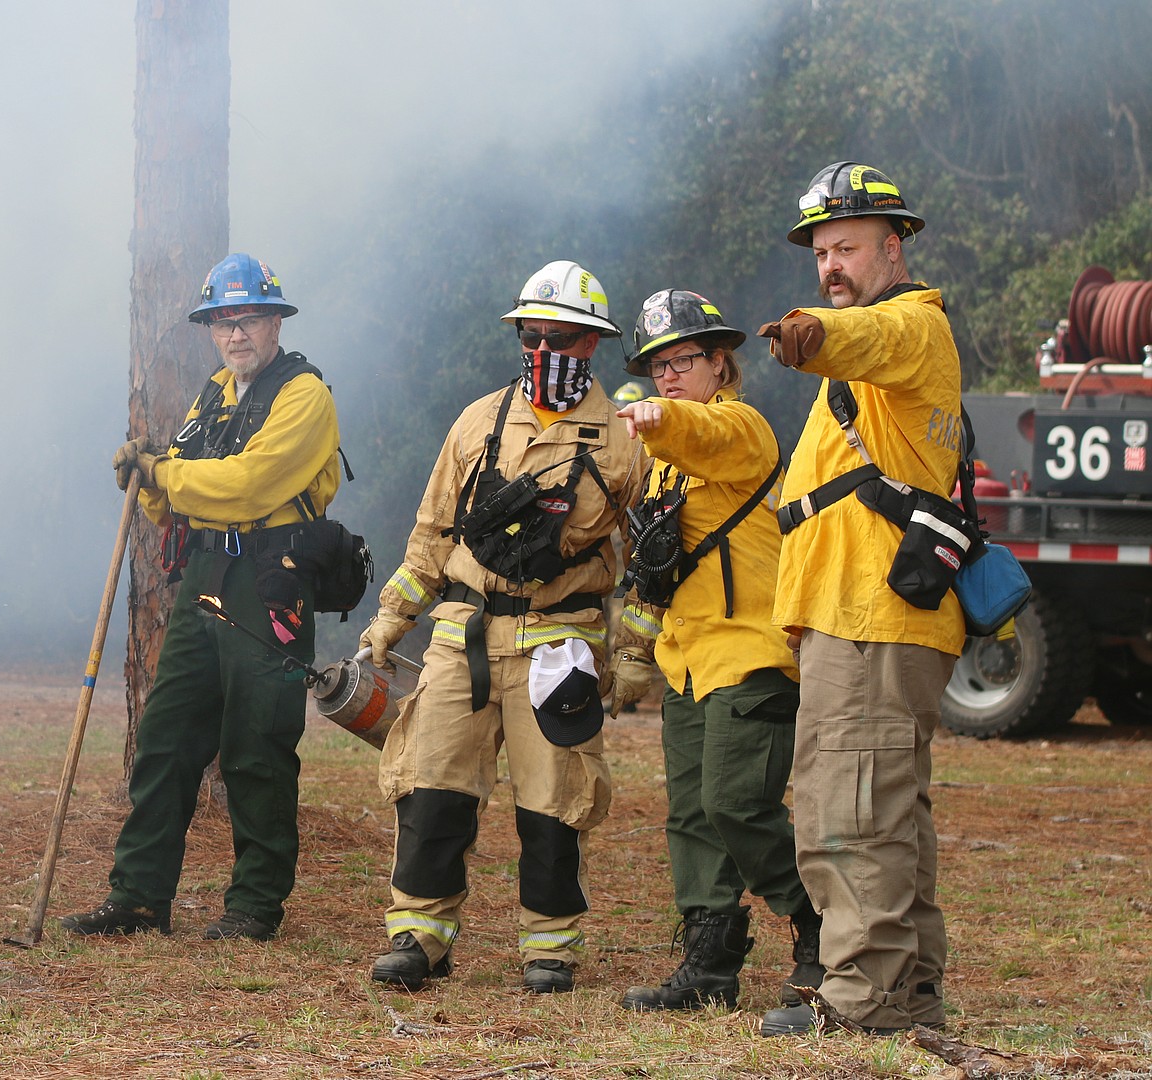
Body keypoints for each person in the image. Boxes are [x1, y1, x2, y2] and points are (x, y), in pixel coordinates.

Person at [359, 261, 647, 993]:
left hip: (561, 641)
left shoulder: (626, 441)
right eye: (533, 333)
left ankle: (549, 948)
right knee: (433, 786)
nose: (547, 348)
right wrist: (393, 617)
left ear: (593, 346)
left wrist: (637, 651)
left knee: (554, 801)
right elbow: (431, 532)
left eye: (565, 337)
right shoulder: (479, 421)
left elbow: (648, 559)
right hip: (464, 634)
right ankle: (419, 935)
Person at [60, 252, 342, 944]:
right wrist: (149, 481)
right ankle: (137, 896)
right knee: (165, 739)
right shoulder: (215, 393)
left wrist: (165, 472)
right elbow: (178, 503)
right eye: (222, 321)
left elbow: (246, 485)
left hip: (271, 581)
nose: (235, 333)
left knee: (257, 745)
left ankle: (254, 906)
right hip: (207, 575)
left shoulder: (305, 395)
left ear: (276, 322)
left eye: (248, 319)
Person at [754, 162, 966, 1036]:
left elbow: (860, 340)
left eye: (848, 247)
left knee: (853, 806)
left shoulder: (910, 327)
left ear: (895, 246)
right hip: (859, 610)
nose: (831, 263)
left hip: (873, 613)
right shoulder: (882, 347)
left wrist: (810, 334)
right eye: (821, 251)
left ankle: (864, 997)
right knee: (887, 805)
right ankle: (909, 989)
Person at [608, 289, 822, 1012]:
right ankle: (710, 965)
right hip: (688, 660)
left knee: (736, 803)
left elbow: (697, 433)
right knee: (692, 815)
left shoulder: (741, 429)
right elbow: (657, 565)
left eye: (683, 360)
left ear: (719, 363)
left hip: (753, 655)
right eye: (657, 366)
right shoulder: (664, 467)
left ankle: (817, 925)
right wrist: (635, 647)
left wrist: (655, 415)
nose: (668, 375)